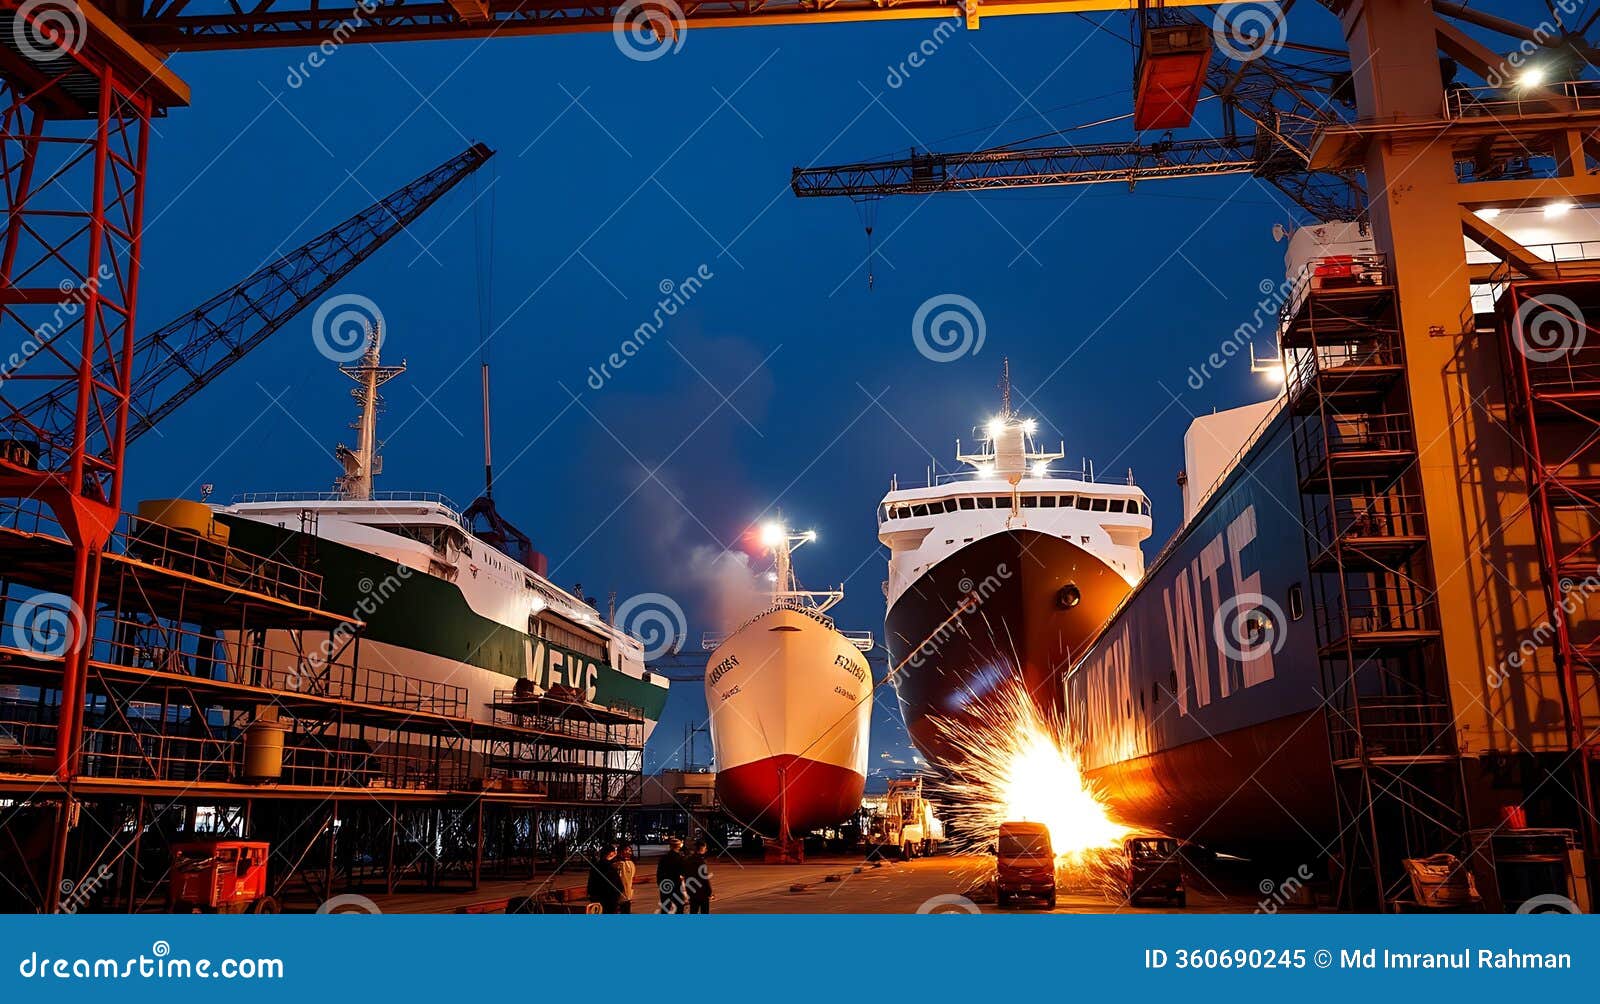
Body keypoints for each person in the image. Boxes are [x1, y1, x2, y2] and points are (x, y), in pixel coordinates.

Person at [586, 843, 621, 913]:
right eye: (614, 852)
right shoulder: (609, 867)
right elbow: (616, 883)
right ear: (610, 853)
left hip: (597, 898)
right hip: (608, 899)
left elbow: (591, 883)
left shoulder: (596, 866)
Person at [656, 837, 686, 914]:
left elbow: (659, 871)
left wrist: (660, 882)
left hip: (665, 883)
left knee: (665, 905)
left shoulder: (664, 857)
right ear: (679, 846)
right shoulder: (679, 858)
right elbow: (683, 871)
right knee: (679, 904)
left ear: (670, 846)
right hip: (675, 883)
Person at [686, 838, 713, 914]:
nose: (706, 849)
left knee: (693, 911)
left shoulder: (688, 860)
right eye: (705, 847)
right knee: (704, 911)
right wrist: (709, 891)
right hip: (702, 892)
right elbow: (704, 878)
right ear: (702, 848)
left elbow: (686, 875)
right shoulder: (701, 861)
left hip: (692, 891)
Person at [615, 845, 637, 914]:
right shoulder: (617, 864)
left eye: (630, 851)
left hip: (627, 895)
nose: (629, 852)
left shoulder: (630, 864)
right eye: (627, 850)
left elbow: (631, 879)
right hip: (619, 894)